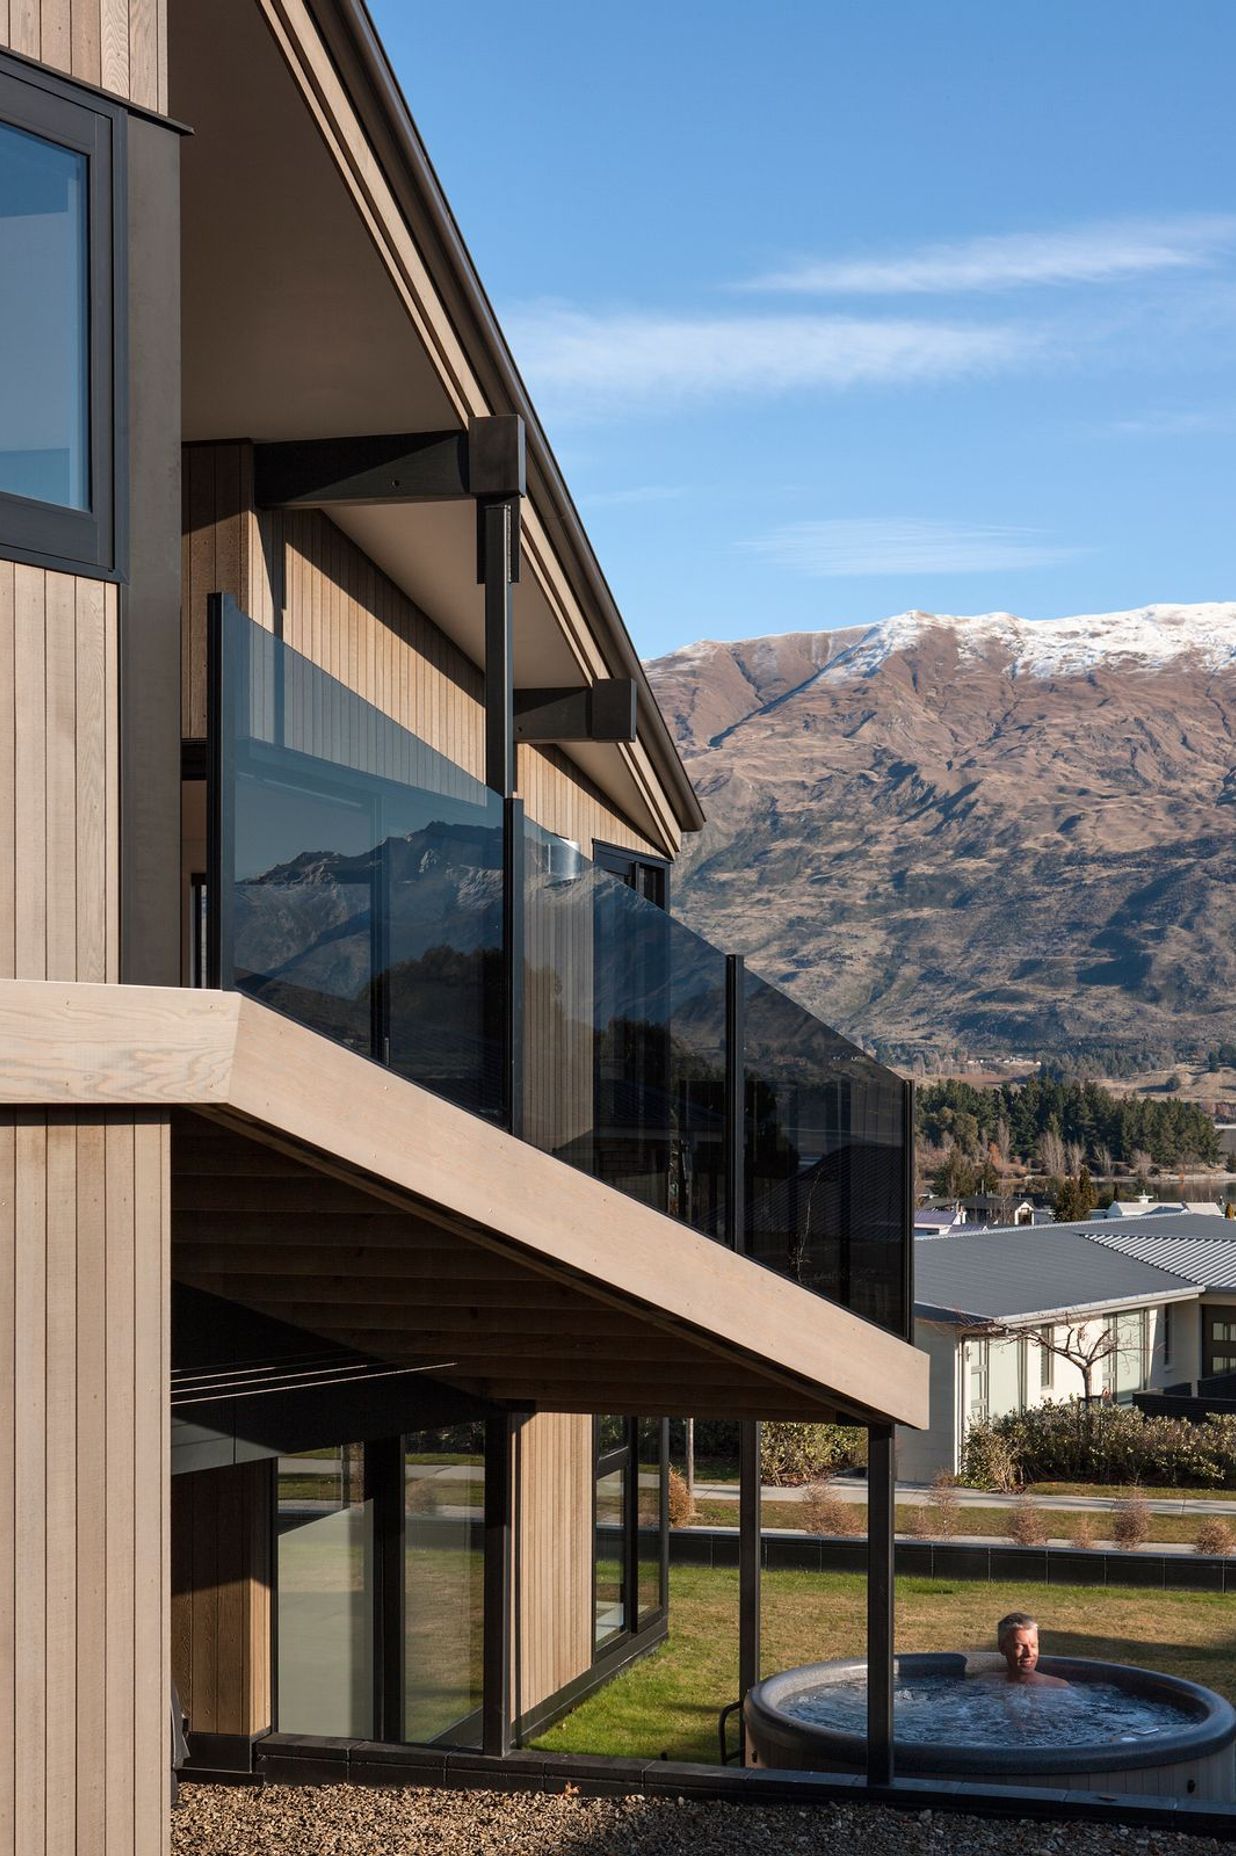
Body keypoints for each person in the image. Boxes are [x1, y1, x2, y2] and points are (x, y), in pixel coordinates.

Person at [989, 1611, 1069, 1687]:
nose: (1029, 1653)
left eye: (1033, 1645)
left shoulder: (1058, 1687)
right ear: (1002, 1648)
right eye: (1020, 1646)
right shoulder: (987, 1683)